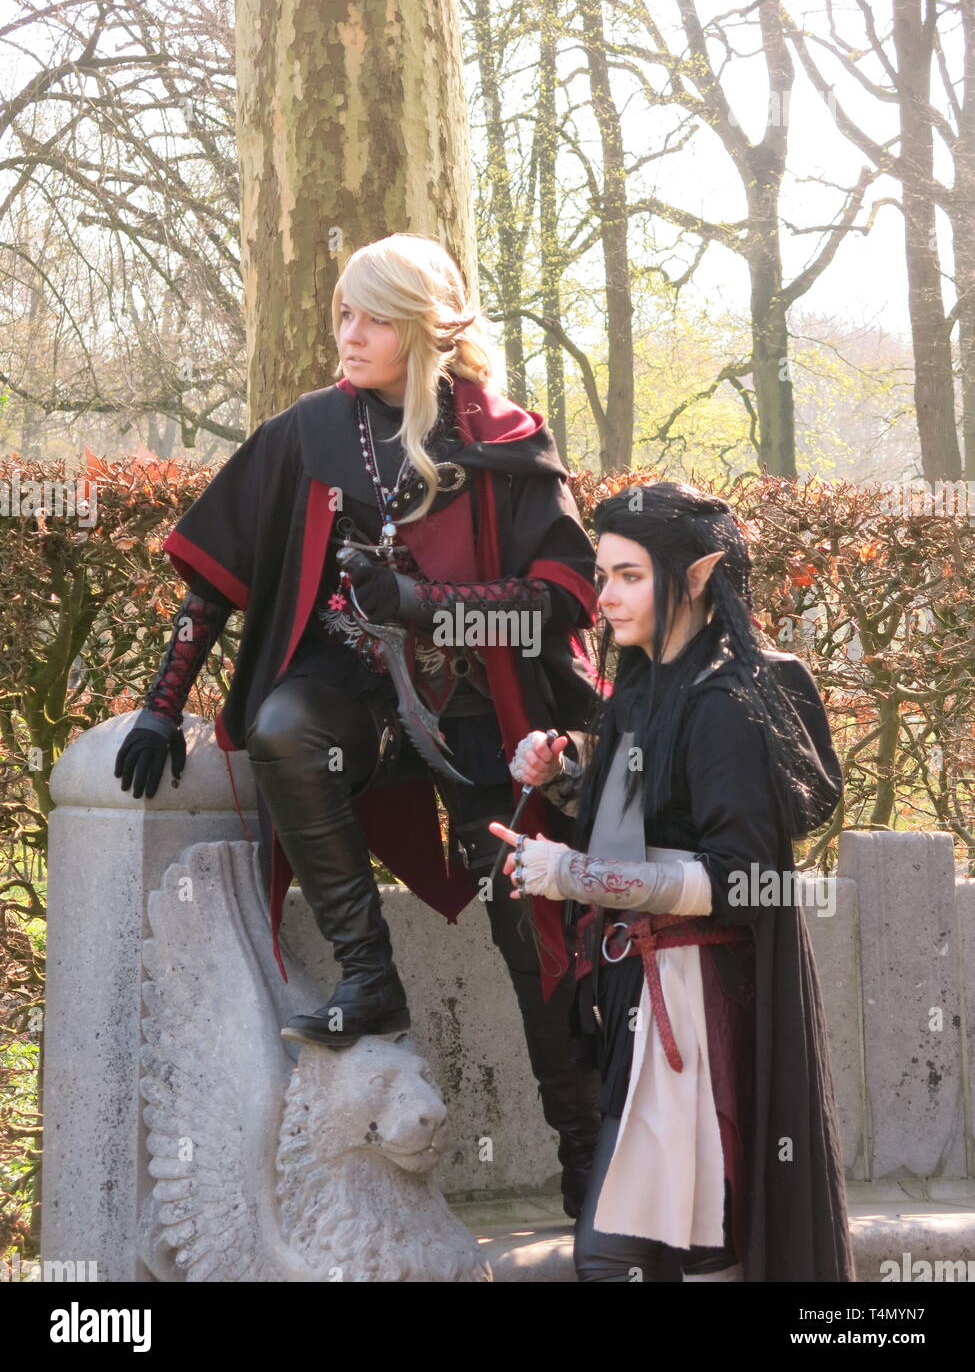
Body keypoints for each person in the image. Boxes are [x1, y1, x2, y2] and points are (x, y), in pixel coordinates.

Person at [112, 233, 603, 1216]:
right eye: (342, 312)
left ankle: (588, 1153)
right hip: (356, 699)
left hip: (482, 703)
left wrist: (421, 602)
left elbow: (557, 601)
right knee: (284, 722)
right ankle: (369, 979)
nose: (348, 333)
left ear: (426, 330)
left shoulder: (504, 440)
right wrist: (166, 704)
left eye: (371, 317)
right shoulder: (310, 432)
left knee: (525, 908)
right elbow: (217, 575)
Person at [490, 480, 855, 1281]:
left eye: (629, 575)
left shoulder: (728, 700)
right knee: (672, 1248)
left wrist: (571, 872)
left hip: (696, 1003)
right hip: (643, 998)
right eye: (602, 575)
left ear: (694, 576)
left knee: (651, 1252)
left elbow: (742, 876)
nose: (605, 596)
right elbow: (656, 819)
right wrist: (565, 781)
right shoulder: (643, 686)